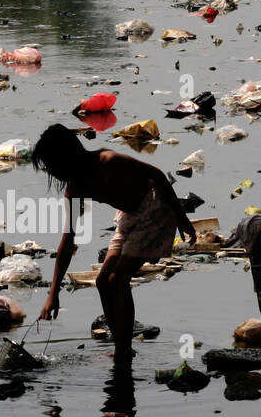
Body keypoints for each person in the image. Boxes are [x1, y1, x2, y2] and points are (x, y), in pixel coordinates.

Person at [32, 124, 195, 367]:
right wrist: (52, 294)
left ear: (66, 157)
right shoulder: (75, 189)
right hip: (129, 217)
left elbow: (158, 176)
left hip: (154, 210)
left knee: (118, 279)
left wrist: (182, 219)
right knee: (102, 281)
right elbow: (68, 241)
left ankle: (124, 350)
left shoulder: (108, 161)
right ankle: (121, 347)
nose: (52, 173)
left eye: (52, 165)